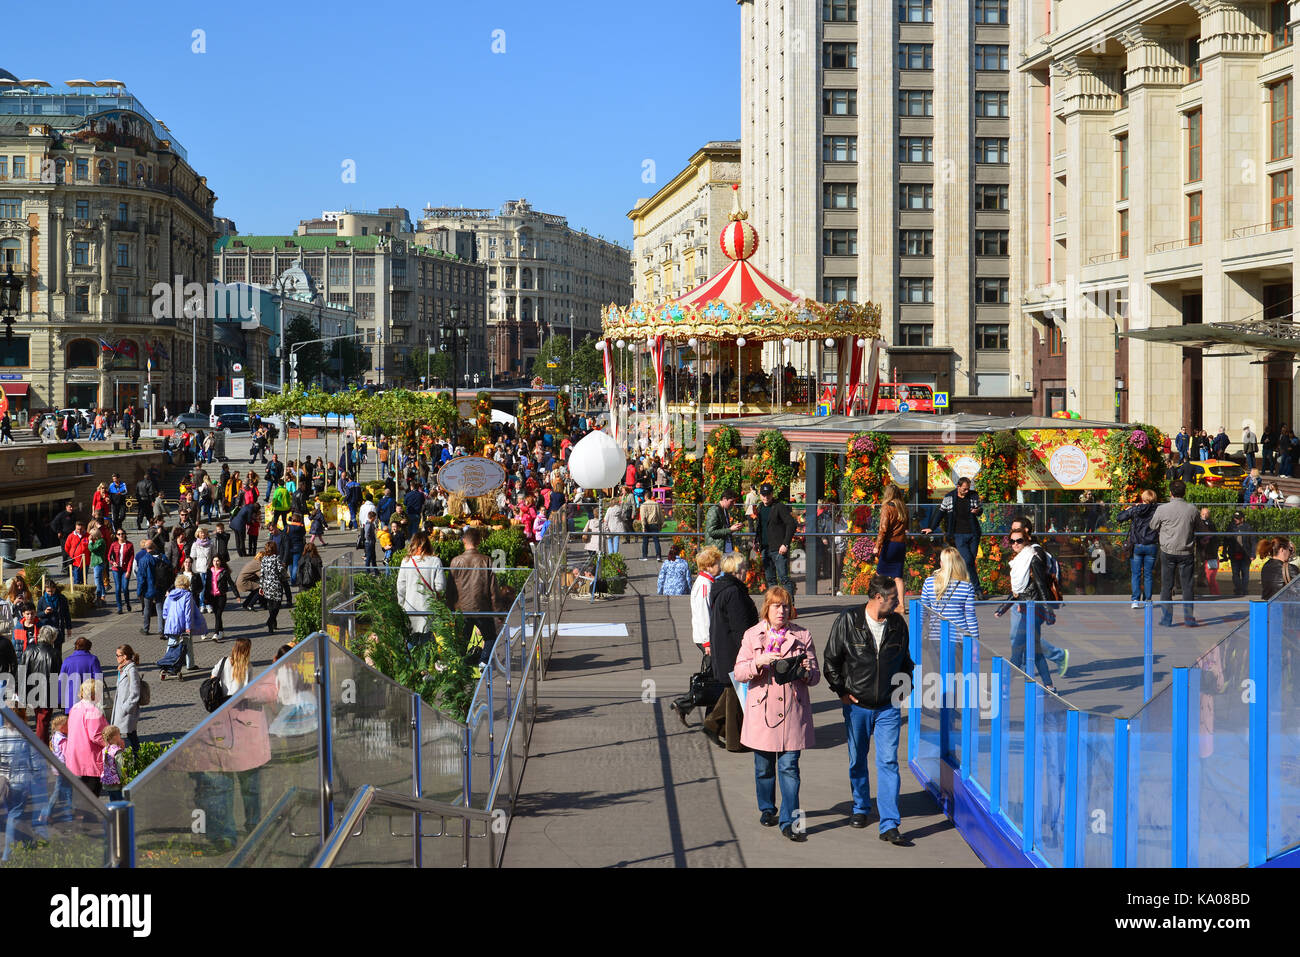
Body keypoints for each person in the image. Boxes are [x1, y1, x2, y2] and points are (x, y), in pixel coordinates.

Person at [822, 574, 914, 843]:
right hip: (857, 705)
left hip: (888, 706)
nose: (898, 603)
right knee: (857, 759)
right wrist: (841, 692)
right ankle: (861, 806)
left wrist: (903, 691)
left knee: (888, 762)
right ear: (878, 598)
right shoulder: (849, 620)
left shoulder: (897, 624)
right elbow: (831, 659)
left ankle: (889, 823)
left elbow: (905, 661)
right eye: (894, 599)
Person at [732, 584, 820, 842]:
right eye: (775, 606)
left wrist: (806, 670)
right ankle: (767, 808)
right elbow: (738, 672)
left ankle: (789, 821)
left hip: (793, 712)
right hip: (763, 713)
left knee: (790, 767)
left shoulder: (803, 635)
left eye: (785, 606)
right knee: (763, 768)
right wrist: (757, 663)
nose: (781, 611)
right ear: (766, 609)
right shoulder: (752, 635)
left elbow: (815, 677)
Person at [994, 529, 1067, 692]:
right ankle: (1049, 685)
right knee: (1033, 649)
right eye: (1012, 541)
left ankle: (1004, 686)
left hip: (1036, 608)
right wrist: (1003, 608)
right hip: (1027, 607)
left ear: (1026, 540)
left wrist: (1048, 611)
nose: (1015, 545)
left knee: (1018, 647)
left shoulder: (1032, 558)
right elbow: (1018, 591)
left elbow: (1041, 586)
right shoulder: (1019, 561)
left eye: (1018, 541)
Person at [702, 553, 759, 752]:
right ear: (735, 570)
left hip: (723, 647)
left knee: (731, 691)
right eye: (743, 568)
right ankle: (733, 740)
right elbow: (740, 627)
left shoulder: (722, 588)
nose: (746, 571)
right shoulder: (734, 592)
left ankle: (714, 726)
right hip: (734, 650)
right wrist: (749, 652)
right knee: (735, 693)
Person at [446, 527, 504, 662]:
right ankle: (484, 662)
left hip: (462, 609)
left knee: (462, 639)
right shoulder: (486, 560)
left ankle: (460, 665)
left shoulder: (456, 561)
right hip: (482, 608)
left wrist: (449, 609)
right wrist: (499, 612)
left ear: (464, 541)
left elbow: (450, 589)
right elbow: (493, 590)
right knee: (490, 637)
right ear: (478, 542)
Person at [921, 476, 983, 596]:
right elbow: (941, 513)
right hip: (958, 534)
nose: (966, 491)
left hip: (973, 533)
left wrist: (977, 511)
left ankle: (968, 587)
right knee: (968, 560)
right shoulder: (949, 497)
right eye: (964, 489)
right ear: (958, 487)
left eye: (968, 489)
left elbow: (980, 510)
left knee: (970, 562)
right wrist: (931, 527)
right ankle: (977, 589)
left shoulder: (973, 495)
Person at [1150, 479, 1199, 627]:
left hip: (1168, 550)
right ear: (1184, 493)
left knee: (1166, 586)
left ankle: (1166, 619)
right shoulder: (1192, 509)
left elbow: (1153, 526)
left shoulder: (1162, 509)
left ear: (1171, 493)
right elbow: (1198, 526)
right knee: (1187, 586)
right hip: (1186, 551)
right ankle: (1189, 619)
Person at [920, 546, 980, 651]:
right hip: (959, 637)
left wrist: (916, 635)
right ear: (959, 563)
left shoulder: (929, 582)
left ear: (942, 563)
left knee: (938, 667)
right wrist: (975, 642)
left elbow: (923, 612)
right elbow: (970, 616)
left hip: (936, 636)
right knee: (958, 667)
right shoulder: (966, 586)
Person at [64, 678, 109, 795]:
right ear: (95, 694)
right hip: (90, 758)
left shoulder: (75, 707)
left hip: (75, 755)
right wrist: (112, 743)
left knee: (81, 793)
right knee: (91, 795)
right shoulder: (94, 711)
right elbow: (96, 736)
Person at [396, 531, 446, 636]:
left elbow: (401, 587)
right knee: (427, 643)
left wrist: (401, 605)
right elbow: (441, 586)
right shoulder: (435, 561)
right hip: (428, 608)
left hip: (410, 607)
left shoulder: (406, 561)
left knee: (410, 642)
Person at [1117, 489, 1160, 608]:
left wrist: (1127, 510)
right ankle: (1147, 600)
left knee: (1135, 574)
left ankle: (1135, 600)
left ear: (1143, 498)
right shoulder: (1157, 510)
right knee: (1148, 574)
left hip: (1137, 545)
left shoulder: (1136, 509)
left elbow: (1119, 518)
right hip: (1151, 545)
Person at [160, 572, 203, 678]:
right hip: (183, 624)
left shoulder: (170, 594)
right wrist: (188, 627)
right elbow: (188, 612)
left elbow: (165, 609)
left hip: (171, 624)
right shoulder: (187, 595)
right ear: (187, 584)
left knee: (171, 644)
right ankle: (189, 664)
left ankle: (166, 665)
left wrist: (167, 619)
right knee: (187, 643)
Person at [755, 482, 796, 592]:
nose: (766, 497)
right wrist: (757, 542)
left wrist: (785, 543)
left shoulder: (779, 507)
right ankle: (774, 604)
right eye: (763, 494)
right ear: (760, 495)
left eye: (768, 494)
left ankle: (790, 605)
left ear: (772, 494)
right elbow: (760, 527)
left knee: (784, 579)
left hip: (778, 549)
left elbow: (791, 524)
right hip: (765, 548)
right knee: (770, 579)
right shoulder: (760, 508)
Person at [874, 485, 909, 612]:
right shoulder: (903, 507)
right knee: (898, 577)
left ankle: (877, 601)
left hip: (890, 544)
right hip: (901, 544)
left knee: (879, 574)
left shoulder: (887, 507)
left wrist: (877, 546)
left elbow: (883, 529)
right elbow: (907, 527)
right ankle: (901, 605)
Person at [22, 628, 60, 743]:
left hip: (32, 689)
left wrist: (21, 690)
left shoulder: (28, 650)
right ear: (52, 638)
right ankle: (41, 745)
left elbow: (22, 671)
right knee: (43, 719)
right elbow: (59, 675)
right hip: (48, 692)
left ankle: (41, 743)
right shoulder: (54, 653)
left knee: (40, 717)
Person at [111, 644, 142, 756]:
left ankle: (136, 759)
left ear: (124, 656)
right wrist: (119, 672)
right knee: (131, 735)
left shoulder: (131, 670)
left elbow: (135, 692)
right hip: (121, 709)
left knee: (130, 736)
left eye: (117, 655)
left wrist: (125, 708)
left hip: (126, 710)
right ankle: (135, 757)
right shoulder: (124, 668)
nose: (116, 657)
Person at [688, 547, 722, 650]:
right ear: (708, 566)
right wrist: (707, 641)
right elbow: (703, 612)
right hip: (705, 638)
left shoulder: (706, 582)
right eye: (717, 564)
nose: (720, 567)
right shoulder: (705, 585)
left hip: (707, 636)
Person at [207, 554, 241, 642]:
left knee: (218, 614)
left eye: (217, 561)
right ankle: (221, 631)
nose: (216, 563)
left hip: (221, 596)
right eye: (214, 561)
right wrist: (205, 597)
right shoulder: (209, 571)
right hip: (212, 596)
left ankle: (215, 633)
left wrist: (237, 595)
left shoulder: (224, 572)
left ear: (221, 562)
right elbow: (207, 585)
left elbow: (231, 584)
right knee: (216, 615)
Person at [1223, 510, 1254, 597]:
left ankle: (1244, 590)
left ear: (1242, 519)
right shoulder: (1230, 527)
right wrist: (1224, 551)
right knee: (1235, 573)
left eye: (1237, 518)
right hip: (1233, 553)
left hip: (1246, 555)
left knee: (1245, 574)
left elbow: (1253, 541)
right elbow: (1226, 540)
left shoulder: (1248, 527)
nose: (1235, 520)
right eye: (1235, 518)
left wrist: (1252, 554)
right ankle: (1238, 589)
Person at [258, 542, 287, 634]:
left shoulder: (264, 559)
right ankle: (270, 621)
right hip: (276, 584)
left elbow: (262, 574)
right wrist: (284, 573)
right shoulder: (276, 558)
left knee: (270, 604)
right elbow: (280, 569)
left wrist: (261, 586)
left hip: (266, 584)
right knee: (277, 605)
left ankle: (273, 624)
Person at [1258, 536, 1298, 600]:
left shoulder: (1265, 566)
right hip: (1285, 608)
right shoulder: (1290, 568)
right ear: (1282, 550)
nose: (1291, 553)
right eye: (1290, 550)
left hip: (1268, 607)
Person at [37, 579, 73, 652]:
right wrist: (45, 612)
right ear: (45, 590)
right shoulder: (42, 599)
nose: (50, 593)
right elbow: (38, 614)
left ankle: (58, 663)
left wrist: (69, 628)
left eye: (52, 591)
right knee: (46, 650)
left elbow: (66, 614)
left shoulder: (62, 598)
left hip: (58, 627)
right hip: (46, 628)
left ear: (55, 589)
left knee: (58, 650)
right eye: (48, 592)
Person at [107, 527, 135, 615]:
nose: (121, 535)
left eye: (122, 534)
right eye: (119, 534)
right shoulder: (113, 544)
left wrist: (128, 571)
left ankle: (127, 603)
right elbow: (109, 556)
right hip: (116, 569)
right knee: (118, 588)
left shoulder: (130, 545)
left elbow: (131, 558)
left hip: (125, 569)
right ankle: (119, 607)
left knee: (125, 588)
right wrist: (112, 562)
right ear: (116, 536)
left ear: (125, 534)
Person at [1195, 505, 1221, 596]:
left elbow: (1215, 537)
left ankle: (1214, 592)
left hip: (1209, 551)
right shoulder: (1197, 523)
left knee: (1210, 573)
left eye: (1206, 514)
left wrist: (1208, 538)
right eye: (1203, 514)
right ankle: (1200, 580)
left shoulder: (1211, 524)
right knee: (1200, 566)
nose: (1204, 515)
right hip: (1200, 549)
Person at [639, 493, 664, 561]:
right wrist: (661, 524)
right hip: (655, 523)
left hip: (647, 524)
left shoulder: (643, 505)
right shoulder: (656, 504)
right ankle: (658, 556)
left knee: (645, 541)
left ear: (645, 497)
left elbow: (643, 517)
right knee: (656, 541)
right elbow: (660, 514)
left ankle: (645, 556)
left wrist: (643, 526)